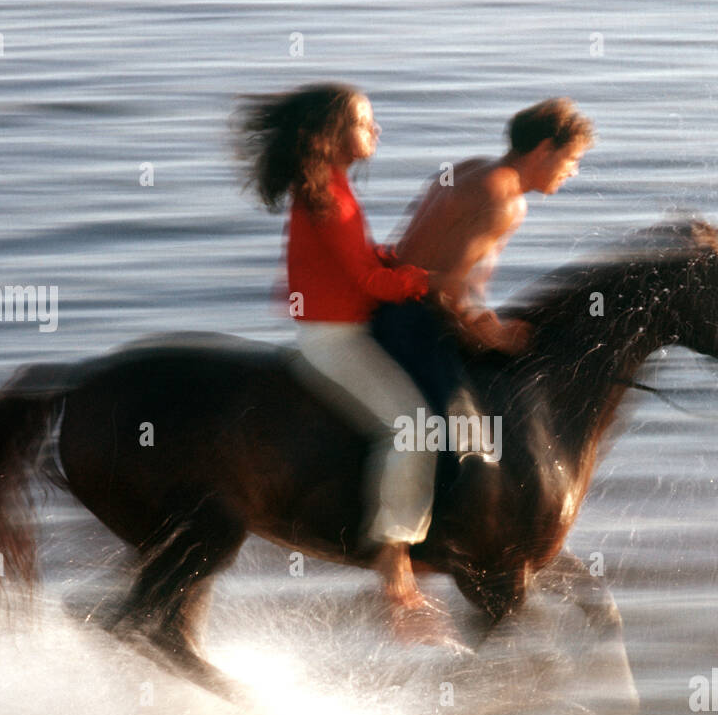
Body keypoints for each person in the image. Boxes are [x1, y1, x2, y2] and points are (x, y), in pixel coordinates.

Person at [236, 83, 447, 638]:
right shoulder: (328, 200)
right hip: (336, 340)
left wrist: (396, 260)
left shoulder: (333, 189)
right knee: (413, 426)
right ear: (331, 138)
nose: (375, 130)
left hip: (344, 328)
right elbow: (368, 281)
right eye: (363, 121)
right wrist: (430, 281)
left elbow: (362, 260)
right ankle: (393, 556)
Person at [378, 98, 595, 396]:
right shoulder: (506, 201)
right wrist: (498, 338)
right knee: (462, 437)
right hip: (414, 323)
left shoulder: (472, 167)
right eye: (572, 159)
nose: (574, 171)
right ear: (545, 150)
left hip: (389, 305)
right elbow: (446, 290)